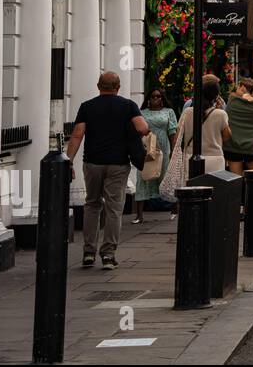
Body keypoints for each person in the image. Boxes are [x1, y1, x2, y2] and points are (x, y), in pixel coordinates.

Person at [66, 72, 148, 268]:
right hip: (118, 164)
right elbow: (142, 128)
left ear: (98, 86)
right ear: (118, 87)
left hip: (93, 163)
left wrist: (68, 161)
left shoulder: (87, 106)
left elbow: (77, 135)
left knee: (92, 204)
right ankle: (108, 254)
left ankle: (88, 252)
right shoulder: (128, 106)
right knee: (114, 208)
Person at [134, 89, 177, 223]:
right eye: (153, 96)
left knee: (166, 177)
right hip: (146, 148)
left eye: (158, 96)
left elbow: (172, 133)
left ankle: (174, 209)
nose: (155, 98)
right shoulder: (142, 113)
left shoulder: (168, 112)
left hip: (163, 148)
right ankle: (139, 215)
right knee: (143, 177)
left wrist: (173, 152)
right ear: (148, 98)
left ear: (163, 98)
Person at [176, 80, 232, 175]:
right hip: (215, 160)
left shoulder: (187, 112)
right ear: (216, 96)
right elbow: (227, 137)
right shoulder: (220, 114)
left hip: (191, 158)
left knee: (193, 189)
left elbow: (177, 137)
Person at [225, 79, 253, 175]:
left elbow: (228, 120)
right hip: (252, 146)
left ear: (242, 87)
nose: (236, 90)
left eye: (237, 88)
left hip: (233, 146)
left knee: (236, 181)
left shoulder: (232, 102)